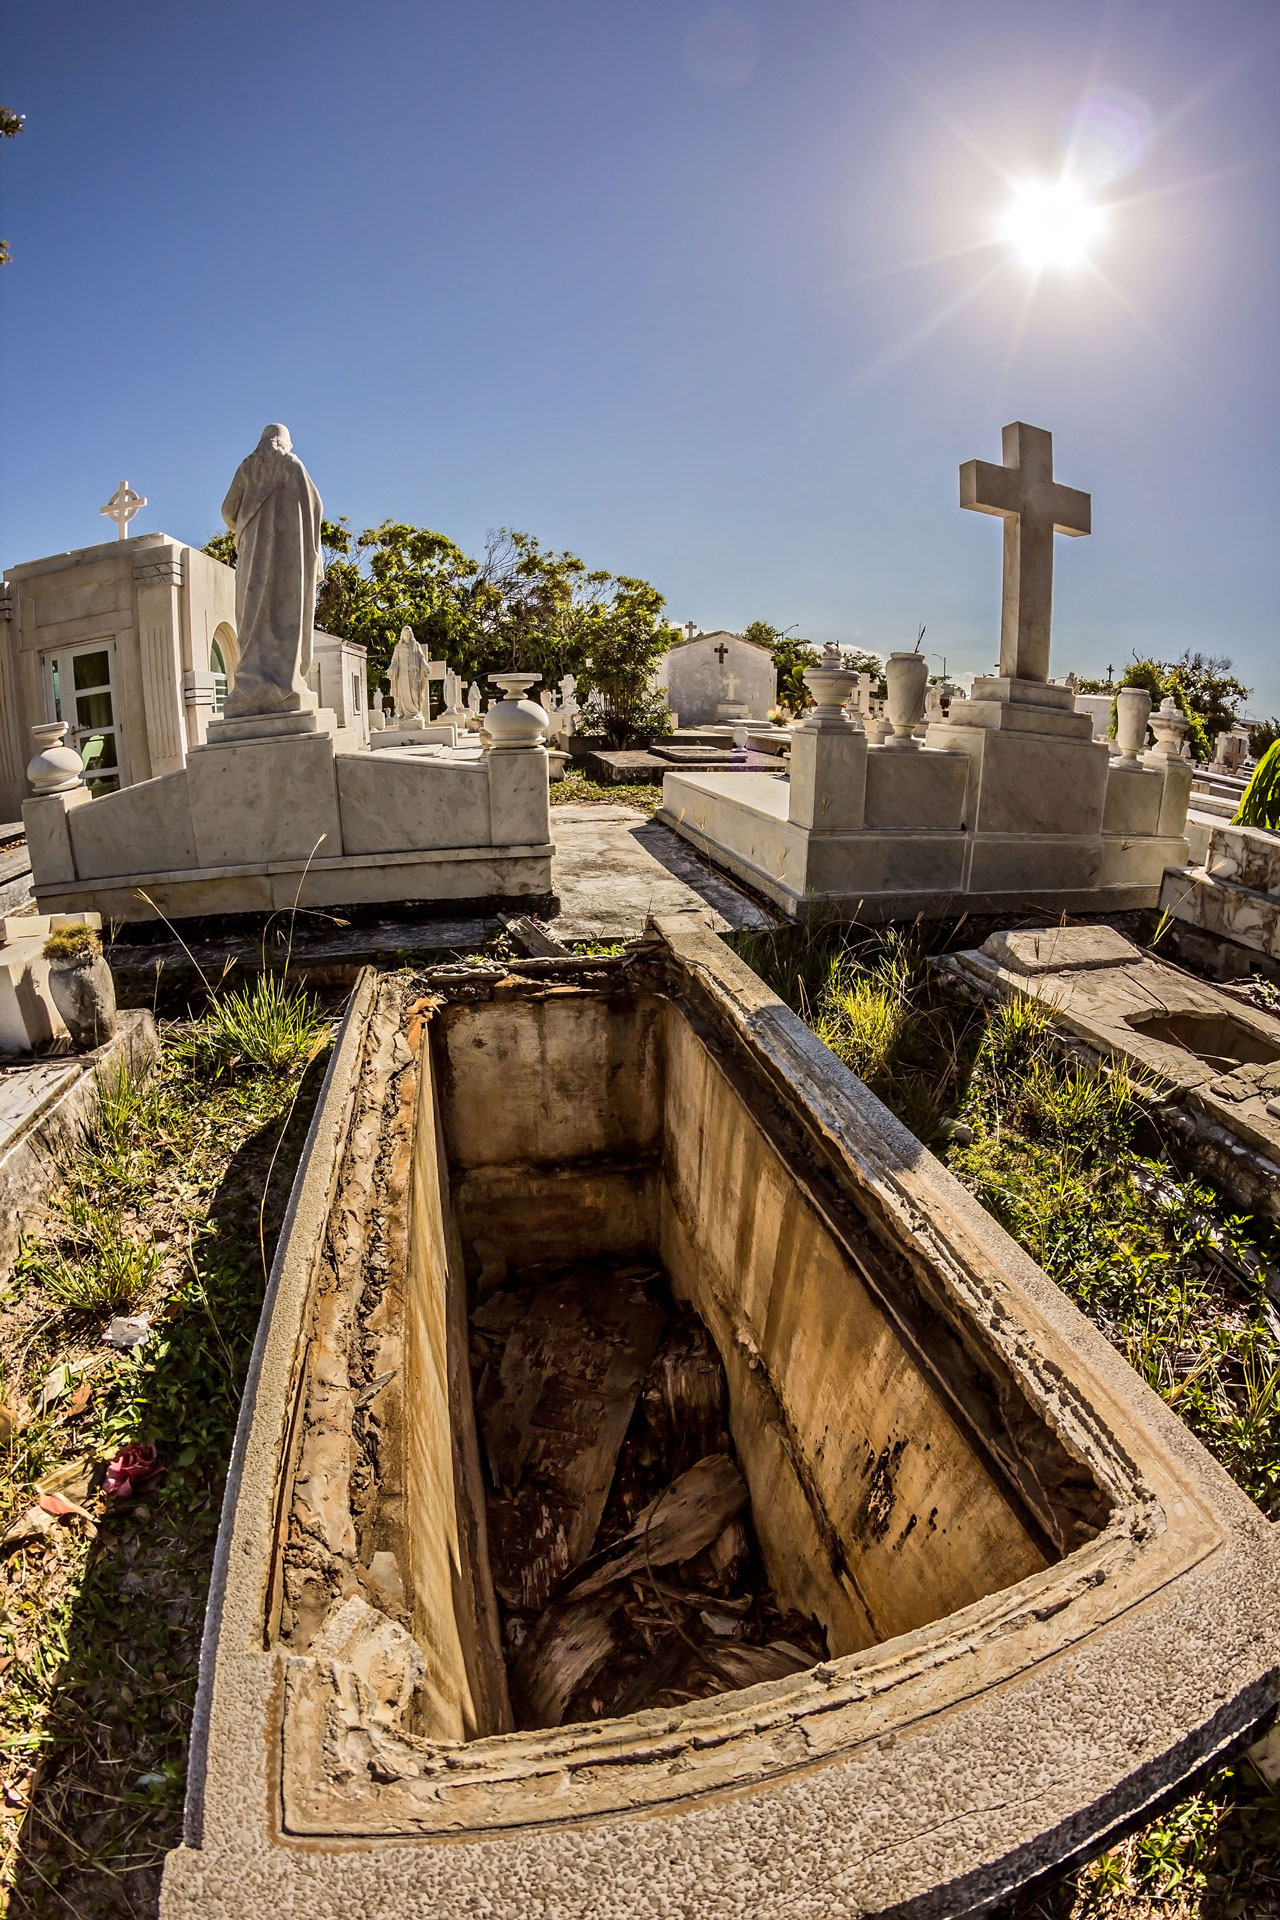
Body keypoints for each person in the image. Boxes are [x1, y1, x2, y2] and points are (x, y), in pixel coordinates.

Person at [220, 424, 323, 717]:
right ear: (285, 442)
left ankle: (251, 685)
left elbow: (228, 511)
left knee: (251, 616)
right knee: (284, 614)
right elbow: (314, 508)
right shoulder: (292, 465)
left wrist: (246, 526)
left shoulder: (247, 467)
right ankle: (285, 682)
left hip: (251, 556)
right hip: (288, 560)